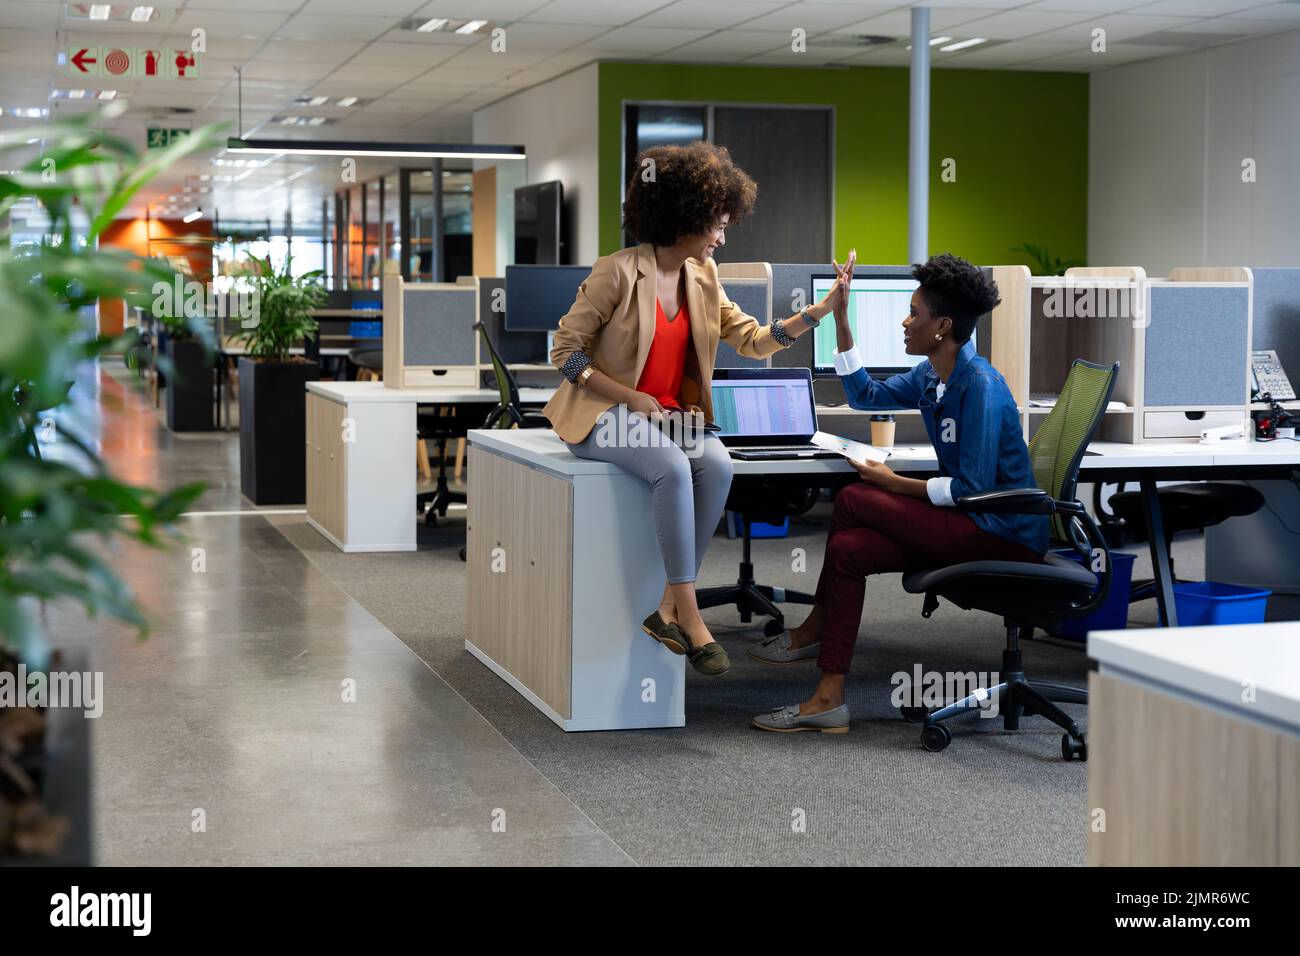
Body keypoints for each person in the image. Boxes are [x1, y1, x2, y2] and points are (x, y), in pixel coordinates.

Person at [544, 141, 847, 676]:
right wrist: (630, 397)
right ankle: (690, 614)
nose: (723, 237)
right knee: (669, 465)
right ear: (684, 217)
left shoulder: (704, 278)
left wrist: (817, 313)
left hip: (668, 417)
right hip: (600, 414)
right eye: (717, 225)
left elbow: (753, 340)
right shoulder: (616, 272)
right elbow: (565, 354)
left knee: (719, 464)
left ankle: (666, 608)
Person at [749, 253, 1048, 732]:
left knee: (852, 498)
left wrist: (891, 484)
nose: (905, 322)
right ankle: (829, 698)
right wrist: (841, 318)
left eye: (914, 313)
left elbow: (973, 490)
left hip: (1001, 529)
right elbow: (864, 395)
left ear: (942, 326)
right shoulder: (933, 376)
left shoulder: (981, 387)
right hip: (966, 521)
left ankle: (814, 629)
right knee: (848, 549)